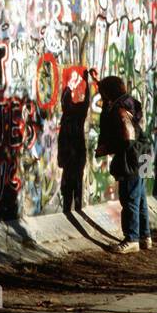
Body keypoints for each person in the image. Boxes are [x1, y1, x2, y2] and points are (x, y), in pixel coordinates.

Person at [95, 76, 150, 253]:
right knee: (140, 197)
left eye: (102, 93)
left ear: (109, 92)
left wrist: (107, 148)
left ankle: (132, 238)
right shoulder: (130, 102)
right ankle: (145, 236)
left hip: (131, 156)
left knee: (129, 198)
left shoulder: (119, 109)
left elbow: (126, 138)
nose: (101, 96)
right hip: (144, 152)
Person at [58, 74, 90, 213]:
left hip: (69, 153)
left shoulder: (67, 113)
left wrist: (70, 85)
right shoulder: (80, 113)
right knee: (77, 180)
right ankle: (77, 208)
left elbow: (65, 100)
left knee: (68, 183)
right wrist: (86, 82)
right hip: (79, 152)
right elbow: (87, 101)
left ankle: (68, 207)